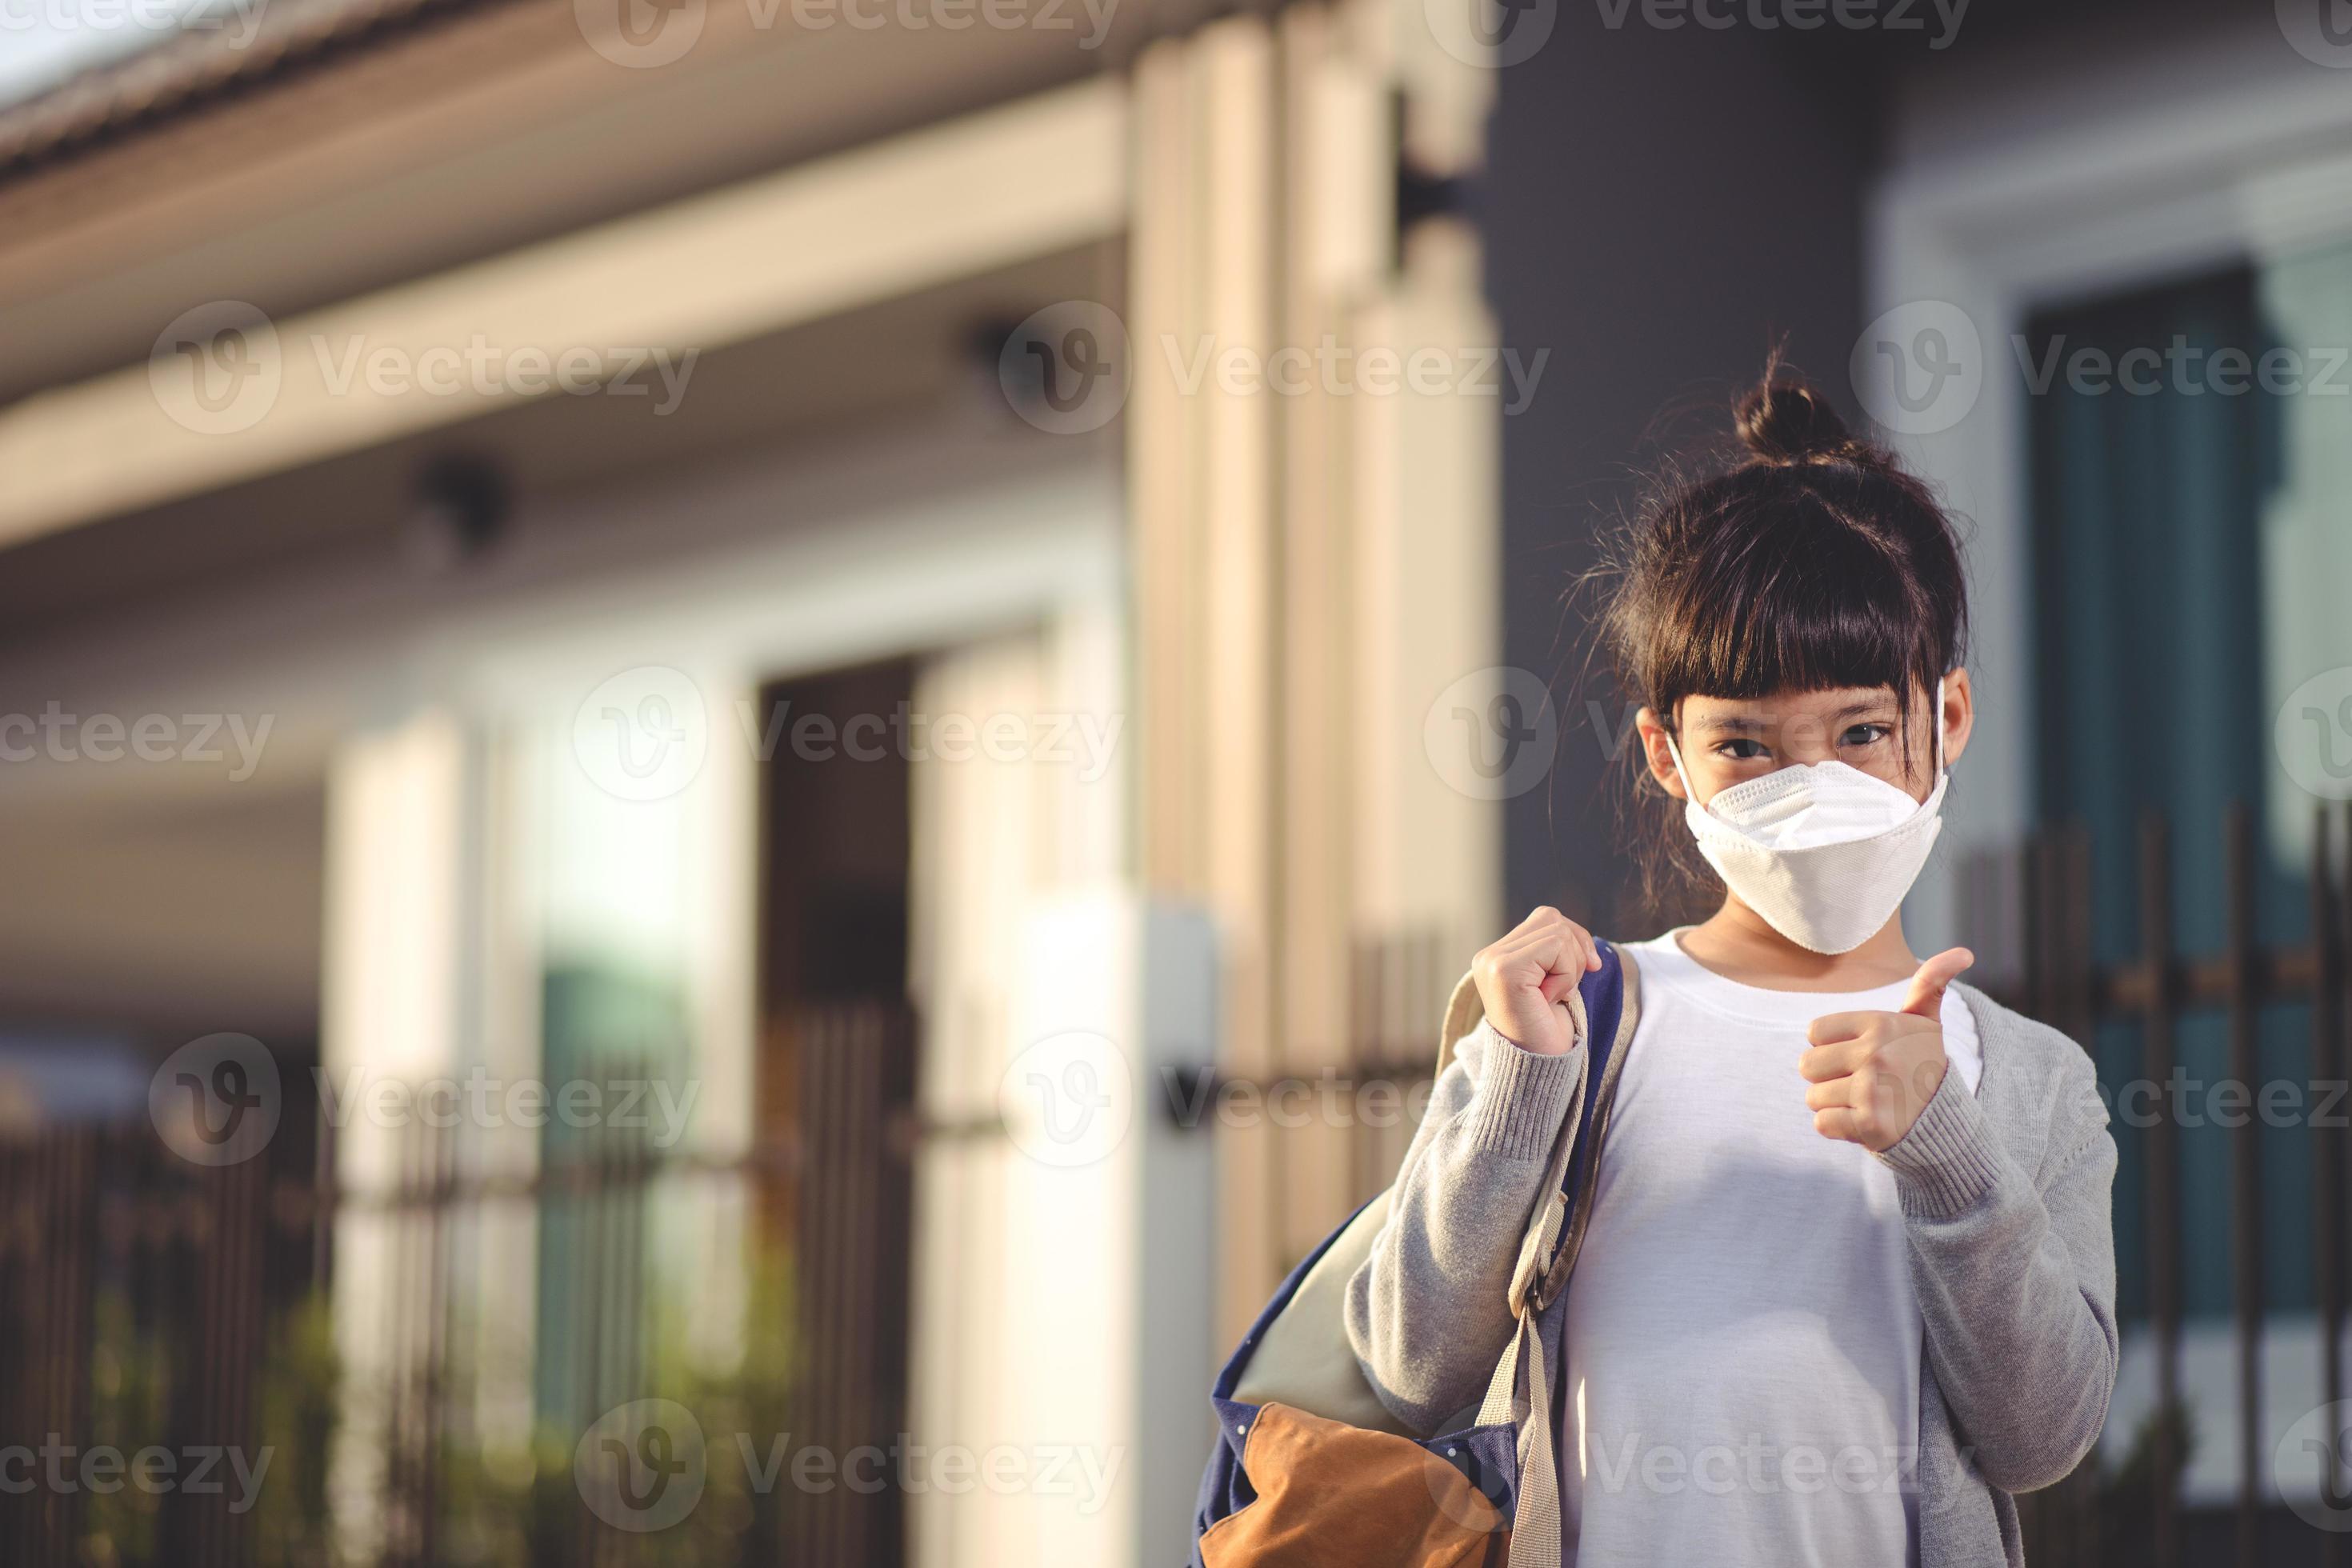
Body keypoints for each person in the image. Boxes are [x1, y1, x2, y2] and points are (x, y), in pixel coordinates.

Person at [1346, 365, 2118, 1567]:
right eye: (1745, 745)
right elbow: (1408, 1365)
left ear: (1947, 717)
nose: (1811, 787)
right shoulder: (1584, 1028)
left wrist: (1946, 1152)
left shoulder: (2027, 1077)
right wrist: (1513, 1086)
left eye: (1862, 730)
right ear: (1665, 751)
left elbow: (2044, 1437)